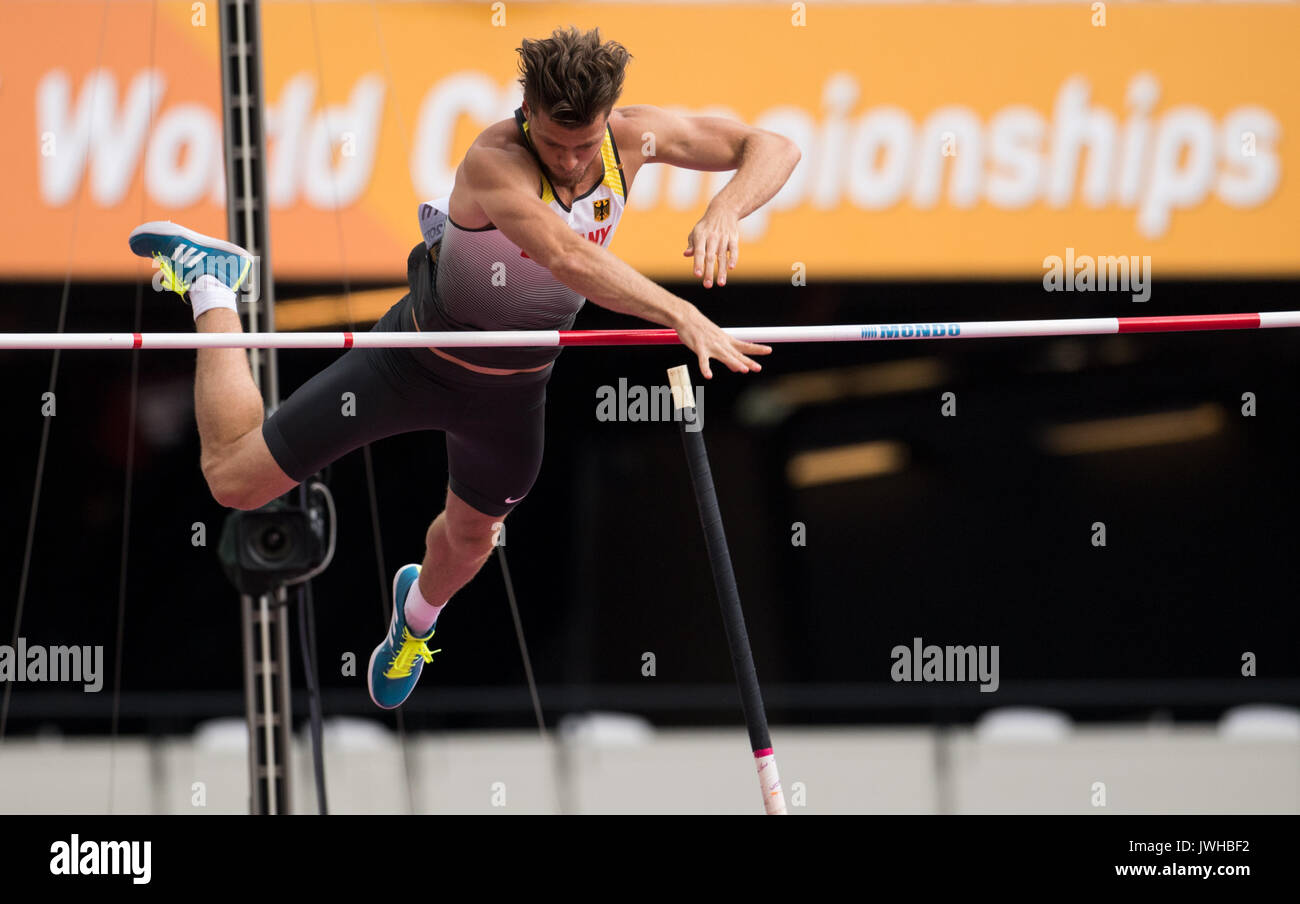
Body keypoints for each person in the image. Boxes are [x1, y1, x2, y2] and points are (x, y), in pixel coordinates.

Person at [127, 25, 800, 710]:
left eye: (584, 143)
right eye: (554, 143)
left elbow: (774, 145)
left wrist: (725, 208)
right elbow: (567, 259)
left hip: (512, 395)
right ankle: (213, 284)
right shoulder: (494, 161)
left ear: (608, 118)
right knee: (234, 481)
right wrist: (676, 312)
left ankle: (413, 622)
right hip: (414, 363)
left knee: (474, 538)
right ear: (526, 112)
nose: (570, 162)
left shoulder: (634, 136)